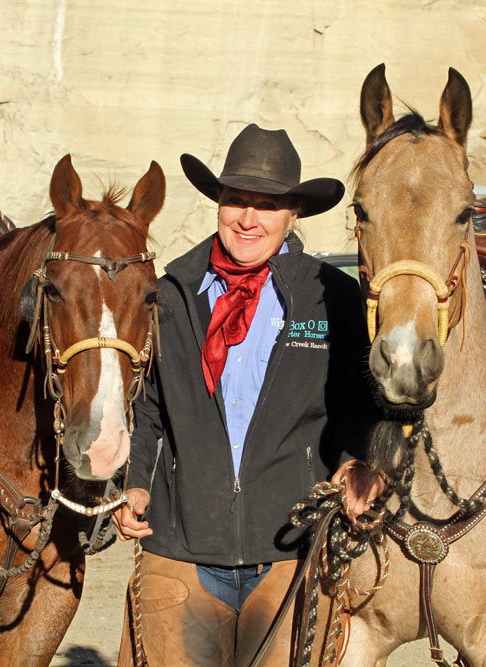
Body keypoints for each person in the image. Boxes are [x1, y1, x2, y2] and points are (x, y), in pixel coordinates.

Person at [113, 124, 382, 666]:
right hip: (180, 549)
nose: (249, 219)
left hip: (291, 552)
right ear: (218, 203)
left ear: (294, 214)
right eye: (237, 200)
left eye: (269, 204)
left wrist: (355, 463)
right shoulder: (170, 294)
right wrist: (136, 482)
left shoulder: (331, 296)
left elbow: (359, 407)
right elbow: (149, 407)